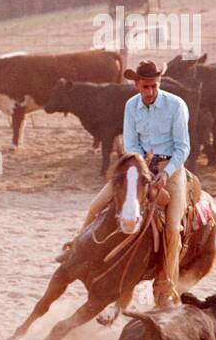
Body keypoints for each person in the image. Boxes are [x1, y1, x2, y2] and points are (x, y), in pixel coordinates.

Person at [70, 59, 191, 309]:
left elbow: (183, 147)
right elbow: (131, 143)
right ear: (136, 84)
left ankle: (165, 285)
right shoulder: (131, 106)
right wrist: (140, 168)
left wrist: (166, 173)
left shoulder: (176, 105)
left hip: (172, 169)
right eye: (145, 86)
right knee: (95, 205)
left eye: (154, 86)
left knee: (172, 228)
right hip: (141, 168)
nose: (150, 92)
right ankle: (76, 253)